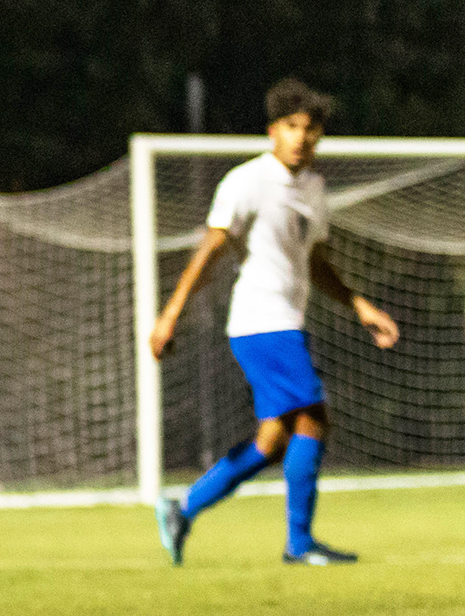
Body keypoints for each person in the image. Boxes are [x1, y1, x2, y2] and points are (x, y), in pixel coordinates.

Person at [150, 78, 398, 566]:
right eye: (292, 127)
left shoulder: (314, 188)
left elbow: (316, 262)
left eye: (311, 129)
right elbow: (210, 250)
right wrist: (170, 314)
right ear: (272, 131)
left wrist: (359, 304)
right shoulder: (246, 182)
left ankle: (182, 508)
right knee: (315, 417)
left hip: (286, 322)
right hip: (261, 322)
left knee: (272, 441)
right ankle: (299, 545)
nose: (302, 137)